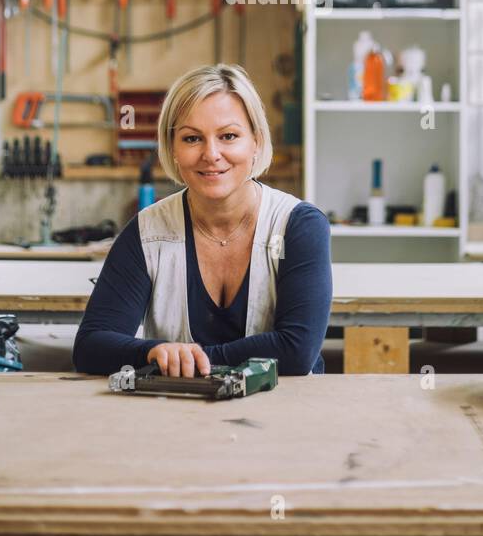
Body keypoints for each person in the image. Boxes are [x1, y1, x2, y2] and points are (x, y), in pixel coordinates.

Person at [72, 63, 332, 377]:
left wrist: (185, 360)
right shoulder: (147, 233)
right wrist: (153, 351)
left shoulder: (296, 226)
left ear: (256, 142)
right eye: (192, 139)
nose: (211, 154)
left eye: (229, 136)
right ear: (172, 148)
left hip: (284, 411)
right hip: (181, 415)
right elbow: (91, 346)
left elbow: (297, 351)